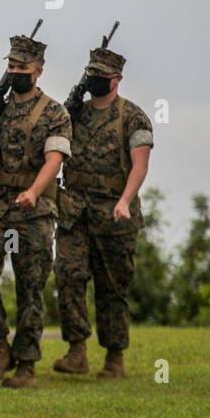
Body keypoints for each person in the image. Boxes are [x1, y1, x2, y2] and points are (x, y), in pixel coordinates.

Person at [0, 35, 71, 388]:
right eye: (11, 66)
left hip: (35, 208)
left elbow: (54, 160)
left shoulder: (55, 114)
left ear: (38, 71)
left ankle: (26, 361)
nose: (15, 73)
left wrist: (33, 191)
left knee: (30, 285)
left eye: (22, 68)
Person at [53, 46, 152, 379]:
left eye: (102, 76)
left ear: (116, 80)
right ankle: (76, 350)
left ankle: (114, 357)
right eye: (91, 74)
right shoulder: (73, 114)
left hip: (113, 213)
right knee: (68, 275)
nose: (95, 80)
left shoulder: (133, 117)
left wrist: (125, 199)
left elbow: (140, 165)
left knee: (112, 286)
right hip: (75, 210)